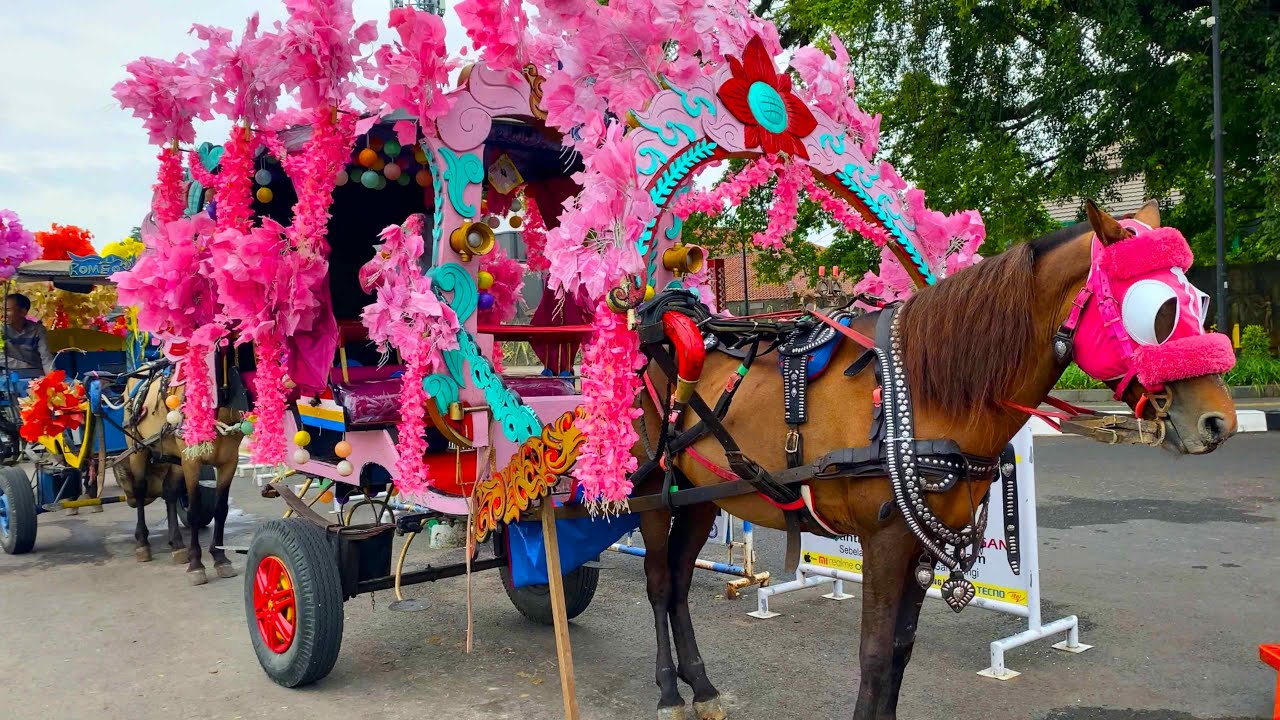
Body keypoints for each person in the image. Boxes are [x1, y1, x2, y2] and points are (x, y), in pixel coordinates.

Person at [4, 294, 54, 374]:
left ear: (23, 312)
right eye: (2, 310)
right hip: (8, 376)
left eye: (8, 310)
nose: (3, 314)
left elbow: (46, 358)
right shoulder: (1, 330)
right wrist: (25, 366)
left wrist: (52, 379)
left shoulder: (38, 330)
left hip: (35, 375)